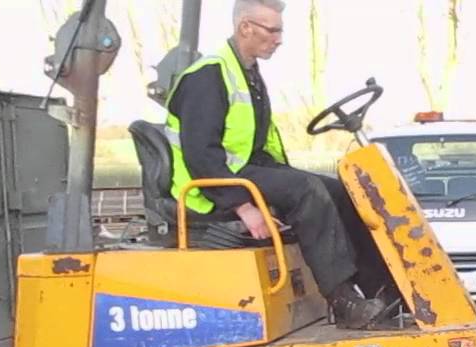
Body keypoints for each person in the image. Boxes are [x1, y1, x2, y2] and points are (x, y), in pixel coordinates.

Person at [164, 0, 387, 329]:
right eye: (273, 30)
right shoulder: (208, 76)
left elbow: (259, 145)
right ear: (245, 28)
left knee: (339, 190)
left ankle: (382, 288)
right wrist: (244, 207)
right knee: (307, 191)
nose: (279, 39)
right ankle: (343, 302)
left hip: (246, 172)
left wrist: (285, 179)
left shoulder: (247, 73)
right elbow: (201, 155)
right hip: (213, 185)